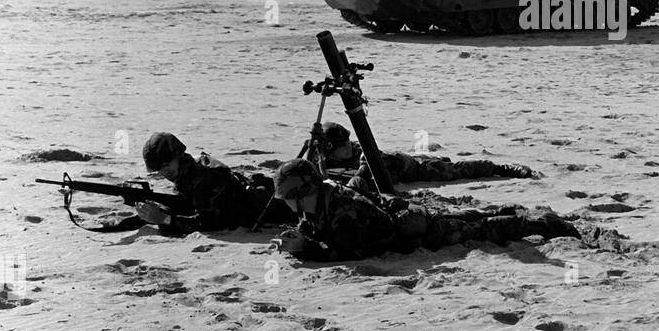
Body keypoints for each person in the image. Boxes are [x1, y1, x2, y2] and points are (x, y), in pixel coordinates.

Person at [269, 158, 611, 261]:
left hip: (419, 231)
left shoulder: (343, 208)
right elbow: (320, 229)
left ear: (302, 192)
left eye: (287, 196)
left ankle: (544, 225)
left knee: (485, 231)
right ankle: (510, 211)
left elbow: (354, 249)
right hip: (411, 218)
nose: (285, 203)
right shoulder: (318, 202)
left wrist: (309, 249)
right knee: (471, 219)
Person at [133, 132, 292, 235]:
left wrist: (165, 219)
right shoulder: (188, 171)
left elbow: (210, 223)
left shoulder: (205, 177)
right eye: (158, 169)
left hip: (277, 207)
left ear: (178, 156)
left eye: (166, 165)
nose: (163, 172)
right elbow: (188, 205)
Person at [315, 122, 539, 191]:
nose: (345, 149)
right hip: (394, 178)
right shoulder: (325, 158)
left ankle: (502, 168)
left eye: (345, 144)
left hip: (409, 167)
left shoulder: (363, 153)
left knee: (453, 171)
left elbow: (362, 177)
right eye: (338, 147)